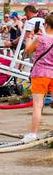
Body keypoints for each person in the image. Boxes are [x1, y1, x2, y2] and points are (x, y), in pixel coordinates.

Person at [23, 12, 53, 141]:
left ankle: (33, 134)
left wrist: (29, 37)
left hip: (40, 74)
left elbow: (27, 51)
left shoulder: (40, 39)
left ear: (46, 25)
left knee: (38, 105)